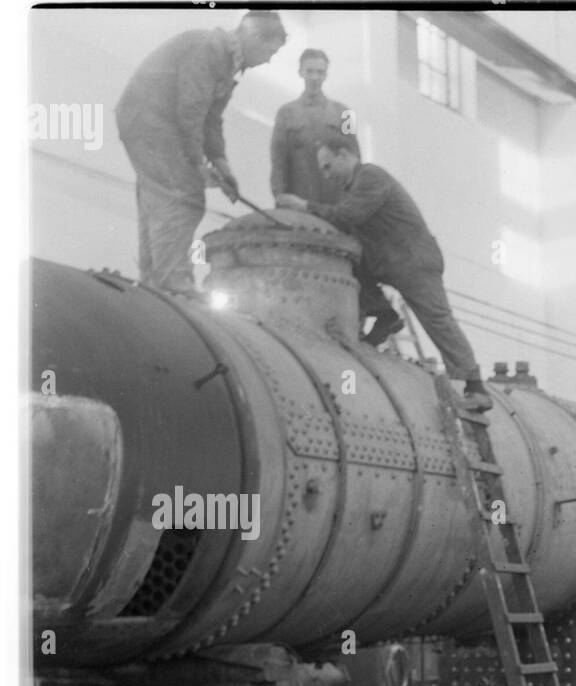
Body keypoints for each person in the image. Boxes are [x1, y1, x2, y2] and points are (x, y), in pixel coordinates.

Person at [277, 135, 492, 410]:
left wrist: (304, 206)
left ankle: (475, 386)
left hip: (413, 260)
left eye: (328, 166)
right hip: (386, 260)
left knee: (437, 319)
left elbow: (349, 215)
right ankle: (386, 315)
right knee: (346, 259)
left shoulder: (371, 177)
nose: (327, 175)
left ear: (345, 154)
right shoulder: (351, 188)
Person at [115, 11, 287, 296]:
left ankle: (152, 279)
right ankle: (173, 280)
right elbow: (191, 108)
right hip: (152, 121)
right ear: (253, 36)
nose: (269, 59)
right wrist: (197, 163)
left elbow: (211, 119)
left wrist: (223, 166)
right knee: (186, 193)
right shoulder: (210, 48)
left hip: (148, 123)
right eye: (270, 50)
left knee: (158, 196)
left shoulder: (228, 61)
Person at [270, 48, 350, 206]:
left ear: (326, 75)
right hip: (298, 200)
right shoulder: (285, 113)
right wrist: (279, 196)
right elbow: (278, 159)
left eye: (320, 72)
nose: (314, 77)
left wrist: (353, 199)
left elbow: (354, 158)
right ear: (301, 72)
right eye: (310, 71)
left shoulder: (346, 113)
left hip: (335, 203)